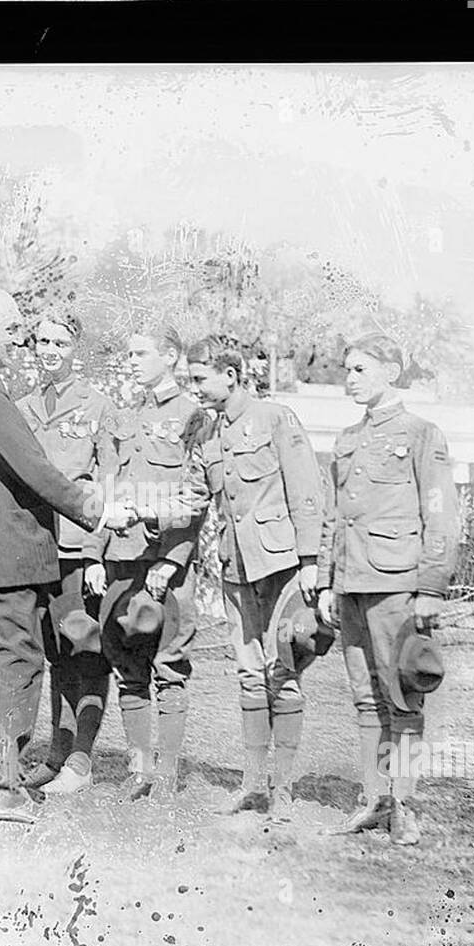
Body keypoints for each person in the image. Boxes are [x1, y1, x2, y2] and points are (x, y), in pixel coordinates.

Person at [0, 286, 136, 823]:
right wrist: (99, 512)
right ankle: (3, 787)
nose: (17, 341)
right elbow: (33, 468)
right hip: (3, 551)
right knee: (16, 659)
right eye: (9, 330)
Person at [316, 333, 460, 846]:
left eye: (360, 369)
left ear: (391, 371)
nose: (349, 378)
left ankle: (404, 802)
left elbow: (440, 514)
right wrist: (325, 581)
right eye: (347, 369)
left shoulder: (421, 434)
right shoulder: (348, 438)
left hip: (397, 584)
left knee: (403, 696)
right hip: (352, 583)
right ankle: (374, 798)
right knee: (364, 698)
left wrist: (431, 586)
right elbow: (334, 517)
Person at [186, 335, 324, 817]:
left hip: (282, 565)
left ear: (232, 373)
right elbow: (198, 497)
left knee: (282, 669)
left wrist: (310, 562)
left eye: (201, 378)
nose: (195, 387)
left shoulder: (275, 418)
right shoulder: (207, 433)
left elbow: (306, 489)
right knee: (247, 673)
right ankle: (252, 784)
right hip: (236, 566)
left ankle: (282, 788)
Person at [94, 325, 210, 803]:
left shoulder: (195, 416)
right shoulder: (124, 415)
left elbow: (196, 496)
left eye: (141, 353)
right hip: (122, 556)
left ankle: (165, 775)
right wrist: (97, 554)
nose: (132, 361)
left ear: (170, 356)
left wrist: (172, 559)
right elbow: (109, 487)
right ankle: (138, 771)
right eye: (129, 352)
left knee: (169, 665)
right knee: (127, 663)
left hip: (165, 562)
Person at [16, 305, 118, 794]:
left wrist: (97, 551)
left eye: (60, 343)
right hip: (36, 546)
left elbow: (108, 486)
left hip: (79, 549)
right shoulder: (22, 407)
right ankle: (56, 754)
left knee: (86, 653)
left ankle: (81, 759)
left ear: (75, 350)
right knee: (55, 654)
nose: (51, 352)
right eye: (43, 343)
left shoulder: (97, 407)